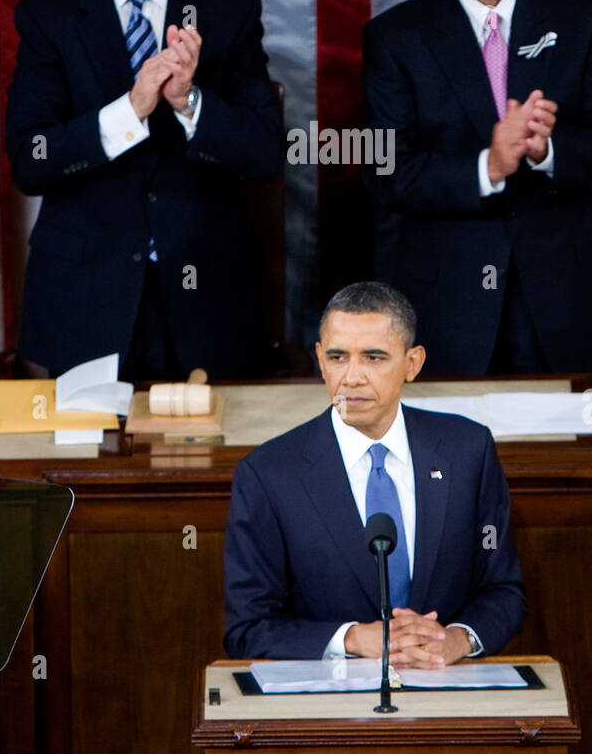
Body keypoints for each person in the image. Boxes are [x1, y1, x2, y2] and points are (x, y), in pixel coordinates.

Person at [5, 0, 283, 380]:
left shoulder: (229, 11)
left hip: (208, 295)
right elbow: (30, 160)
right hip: (84, 303)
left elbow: (265, 153)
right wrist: (130, 110)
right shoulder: (48, 19)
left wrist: (189, 102)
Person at [362, 0, 592, 376]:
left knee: (572, 456)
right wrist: (489, 164)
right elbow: (388, 173)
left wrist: (546, 149)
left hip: (567, 296)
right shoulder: (395, 38)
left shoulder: (583, 18)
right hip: (450, 301)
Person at [224, 282, 526, 664]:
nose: (352, 378)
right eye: (337, 357)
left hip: (445, 690)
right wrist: (351, 639)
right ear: (319, 359)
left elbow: (503, 592)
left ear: (412, 363)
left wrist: (458, 640)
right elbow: (247, 628)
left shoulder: (468, 451)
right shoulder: (268, 475)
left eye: (373, 358)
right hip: (329, 709)